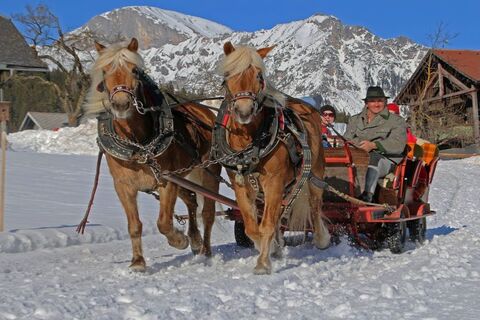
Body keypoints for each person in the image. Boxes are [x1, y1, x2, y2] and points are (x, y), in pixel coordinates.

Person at [344, 86, 407, 202]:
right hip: (358, 156)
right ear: (366, 103)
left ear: (385, 102)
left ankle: (366, 197)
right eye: (372, 101)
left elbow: (398, 144)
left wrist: (374, 145)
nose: (376, 104)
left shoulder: (396, 121)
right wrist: (359, 145)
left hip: (387, 159)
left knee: (372, 159)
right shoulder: (354, 120)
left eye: (380, 101)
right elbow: (347, 139)